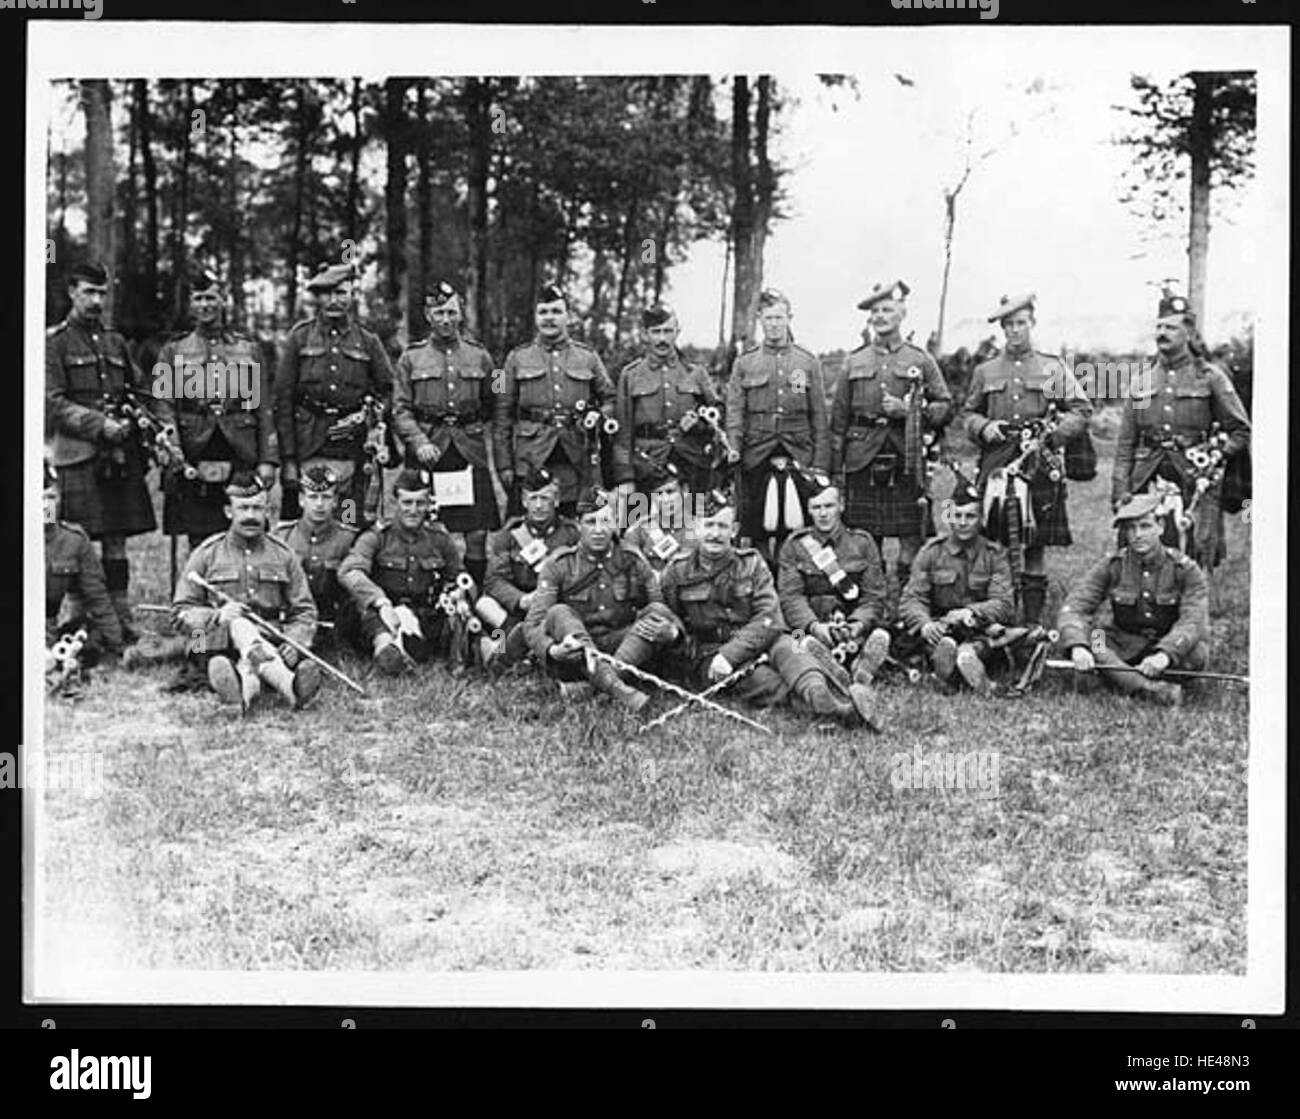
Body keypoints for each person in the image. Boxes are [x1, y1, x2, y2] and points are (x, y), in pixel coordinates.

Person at [659, 489, 875, 726]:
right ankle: (839, 711)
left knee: (793, 650)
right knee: (767, 682)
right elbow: (671, 620)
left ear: (734, 530)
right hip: (713, 652)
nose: (714, 534)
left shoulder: (752, 563)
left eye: (722, 526)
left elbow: (770, 617)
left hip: (764, 637)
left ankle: (818, 688)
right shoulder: (677, 572)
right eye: (708, 525)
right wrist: (696, 651)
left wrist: (733, 651)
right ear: (696, 528)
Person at [961, 293, 1092, 625]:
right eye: (1009, 325)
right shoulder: (986, 370)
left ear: (1032, 323)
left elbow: (1080, 410)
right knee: (993, 541)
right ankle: (994, 616)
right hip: (997, 462)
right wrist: (984, 426)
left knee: (1035, 543)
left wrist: (1054, 434)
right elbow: (967, 415)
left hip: (1039, 461)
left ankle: (1031, 623)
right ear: (1002, 328)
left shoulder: (1052, 367)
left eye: (1021, 323)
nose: (1015, 330)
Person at [46, 260, 158, 641]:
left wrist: (143, 419)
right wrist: (99, 425)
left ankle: (120, 615)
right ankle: (80, 619)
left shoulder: (116, 342)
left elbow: (137, 391)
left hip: (119, 456)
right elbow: (51, 402)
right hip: (79, 455)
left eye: (101, 293)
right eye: (88, 292)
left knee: (117, 537)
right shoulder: (54, 343)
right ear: (71, 293)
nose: (96, 300)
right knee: (78, 537)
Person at [1111, 291, 1251, 570]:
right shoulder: (1142, 380)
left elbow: (1240, 430)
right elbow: (1126, 443)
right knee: (1145, 549)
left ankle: (1194, 609)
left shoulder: (1210, 376)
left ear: (1188, 331)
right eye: (1159, 326)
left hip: (1195, 477)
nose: (1162, 333)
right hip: (1148, 475)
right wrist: (1119, 489)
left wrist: (1214, 455)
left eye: (1171, 327)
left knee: (1197, 551)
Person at [830, 280, 951, 597]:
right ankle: (874, 606)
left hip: (906, 458)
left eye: (887, 309)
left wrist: (910, 410)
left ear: (902, 313)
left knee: (911, 536)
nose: (881, 316)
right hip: (862, 458)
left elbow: (945, 407)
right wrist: (833, 472)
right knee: (866, 541)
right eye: (876, 311)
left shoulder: (920, 360)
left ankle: (907, 604)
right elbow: (838, 421)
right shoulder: (853, 361)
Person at [172, 472, 320, 714]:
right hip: (212, 642)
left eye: (257, 508)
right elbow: (179, 613)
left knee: (253, 644)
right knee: (218, 639)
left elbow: (304, 610)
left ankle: (242, 692)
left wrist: (295, 641)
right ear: (228, 512)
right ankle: (287, 684)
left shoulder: (284, 555)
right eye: (243, 508)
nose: (250, 515)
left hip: (270, 639)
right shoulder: (207, 553)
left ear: (268, 512)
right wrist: (217, 616)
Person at [522, 486, 679, 712]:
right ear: (578, 525)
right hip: (574, 653)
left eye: (606, 521)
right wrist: (552, 651)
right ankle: (619, 690)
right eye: (590, 522)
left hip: (624, 651)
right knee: (558, 613)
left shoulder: (633, 560)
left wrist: (671, 632)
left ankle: (597, 686)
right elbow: (533, 624)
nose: (598, 530)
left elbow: (661, 610)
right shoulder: (558, 564)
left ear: (616, 523)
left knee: (656, 612)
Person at [155, 268, 279, 551]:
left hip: (240, 451)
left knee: (245, 529)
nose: (205, 305)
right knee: (199, 539)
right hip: (193, 453)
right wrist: (172, 449)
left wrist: (268, 459)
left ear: (223, 300)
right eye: (198, 299)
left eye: (211, 298)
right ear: (190, 304)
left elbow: (262, 407)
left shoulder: (248, 350)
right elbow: (164, 406)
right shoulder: (173, 351)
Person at [391, 279, 499, 587]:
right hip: (430, 452)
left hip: (469, 450)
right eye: (438, 313)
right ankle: (429, 592)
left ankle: (474, 596)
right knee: (423, 528)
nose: (445, 320)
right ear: (427, 316)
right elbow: (400, 409)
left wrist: (475, 427)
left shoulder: (481, 356)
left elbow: (494, 401)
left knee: (477, 533)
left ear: (461, 313)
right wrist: (419, 442)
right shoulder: (411, 358)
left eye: (451, 312)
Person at [1056, 492, 1209, 706]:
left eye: (1145, 526)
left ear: (1161, 526)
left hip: (1166, 645)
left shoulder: (1185, 569)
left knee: (1197, 653)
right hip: (1122, 643)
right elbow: (1075, 608)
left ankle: (1119, 680)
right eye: (1130, 528)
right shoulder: (1112, 565)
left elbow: (1192, 621)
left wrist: (1164, 654)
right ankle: (1151, 690)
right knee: (1096, 639)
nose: (1137, 535)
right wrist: (1077, 646)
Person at [275, 262, 394, 525]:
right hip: (308, 441)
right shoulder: (300, 338)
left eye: (341, 293)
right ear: (318, 297)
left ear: (352, 295)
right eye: (327, 293)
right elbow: (282, 401)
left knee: (350, 521)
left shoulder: (367, 341)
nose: (334, 300)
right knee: (304, 523)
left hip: (352, 446)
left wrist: (369, 417)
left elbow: (389, 392)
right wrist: (288, 459)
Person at [725, 289, 830, 559]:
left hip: (798, 452)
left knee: (795, 525)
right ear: (759, 319)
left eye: (779, 317)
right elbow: (735, 411)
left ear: (789, 318)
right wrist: (734, 447)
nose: (774, 324)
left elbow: (818, 414)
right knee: (757, 525)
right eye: (768, 318)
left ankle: (789, 576)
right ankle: (763, 574)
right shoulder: (745, 362)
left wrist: (819, 461)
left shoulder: (805, 362)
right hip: (756, 452)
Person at [776, 479, 890, 726]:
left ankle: (857, 665)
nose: (823, 513)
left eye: (829, 506)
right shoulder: (794, 546)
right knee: (793, 643)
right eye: (817, 508)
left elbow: (874, 596)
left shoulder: (863, 542)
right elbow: (790, 597)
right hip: (808, 626)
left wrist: (857, 624)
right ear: (808, 509)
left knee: (879, 631)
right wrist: (815, 626)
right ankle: (848, 669)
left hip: (851, 626)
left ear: (841, 505)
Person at [495, 283, 615, 516]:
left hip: (575, 455)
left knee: (577, 524)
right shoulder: (515, 358)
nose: (549, 318)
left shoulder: (588, 357)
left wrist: (599, 415)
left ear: (568, 317)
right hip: (531, 456)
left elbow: (611, 399)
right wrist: (504, 464)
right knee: (525, 529)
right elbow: (502, 414)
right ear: (535, 316)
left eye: (556, 312)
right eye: (543, 312)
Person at [337, 468, 470, 675]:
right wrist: (381, 601)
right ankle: (388, 652)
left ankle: (495, 652)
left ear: (428, 504)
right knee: (362, 609)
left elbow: (462, 578)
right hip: (381, 616)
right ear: (395, 503)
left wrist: (458, 595)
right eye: (407, 503)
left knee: (465, 617)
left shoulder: (439, 539)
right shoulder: (378, 536)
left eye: (420, 503)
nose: (413, 510)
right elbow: (350, 571)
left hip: (422, 615)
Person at [897, 478, 1016, 696]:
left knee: (987, 643)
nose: (962, 522)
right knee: (935, 642)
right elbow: (912, 599)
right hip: (941, 627)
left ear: (981, 519)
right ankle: (949, 666)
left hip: (979, 626)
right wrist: (925, 624)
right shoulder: (931, 552)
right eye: (957, 515)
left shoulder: (994, 555)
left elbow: (1004, 603)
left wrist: (970, 612)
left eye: (970, 516)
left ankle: (961, 666)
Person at [613, 303, 722, 499]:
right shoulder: (631, 375)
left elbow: (719, 415)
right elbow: (623, 433)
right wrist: (625, 478)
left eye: (667, 331)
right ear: (645, 334)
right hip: (645, 466)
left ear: (677, 332)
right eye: (656, 332)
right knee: (638, 525)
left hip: (692, 465)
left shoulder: (695, 373)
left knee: (694, 525)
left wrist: (700, 424)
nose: (662, 338)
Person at [479, 467, 580, 672]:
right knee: (485, 605)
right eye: (533, 498)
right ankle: (508, 646)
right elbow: (494, 580)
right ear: (524, 501)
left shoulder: (572, 534)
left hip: (556, 606)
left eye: (545, 498)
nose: (539, 505)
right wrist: (521, 600)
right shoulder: (509, 535)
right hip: (519, 608)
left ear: (557, 500)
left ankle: (507, 654)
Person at [44, 459, 123, 667]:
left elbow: (97, 597)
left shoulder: (72, 540)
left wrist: (116, 646)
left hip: (48, 633)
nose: (46, 504)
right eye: (38, 497)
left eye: (51, 497)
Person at [272, 464, 360, 650]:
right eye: (313, 497)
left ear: (336, 501)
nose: (319, 504)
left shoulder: (349, 538)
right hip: (292, 619)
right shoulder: (281, 537)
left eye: (326, 497)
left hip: (334, 622)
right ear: (301, 500)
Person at [619, 460, 700, 575]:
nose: (665, 500)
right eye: (659, 494)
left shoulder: (700, 529)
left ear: (685, 490)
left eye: (670, 492)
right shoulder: (640, 529)